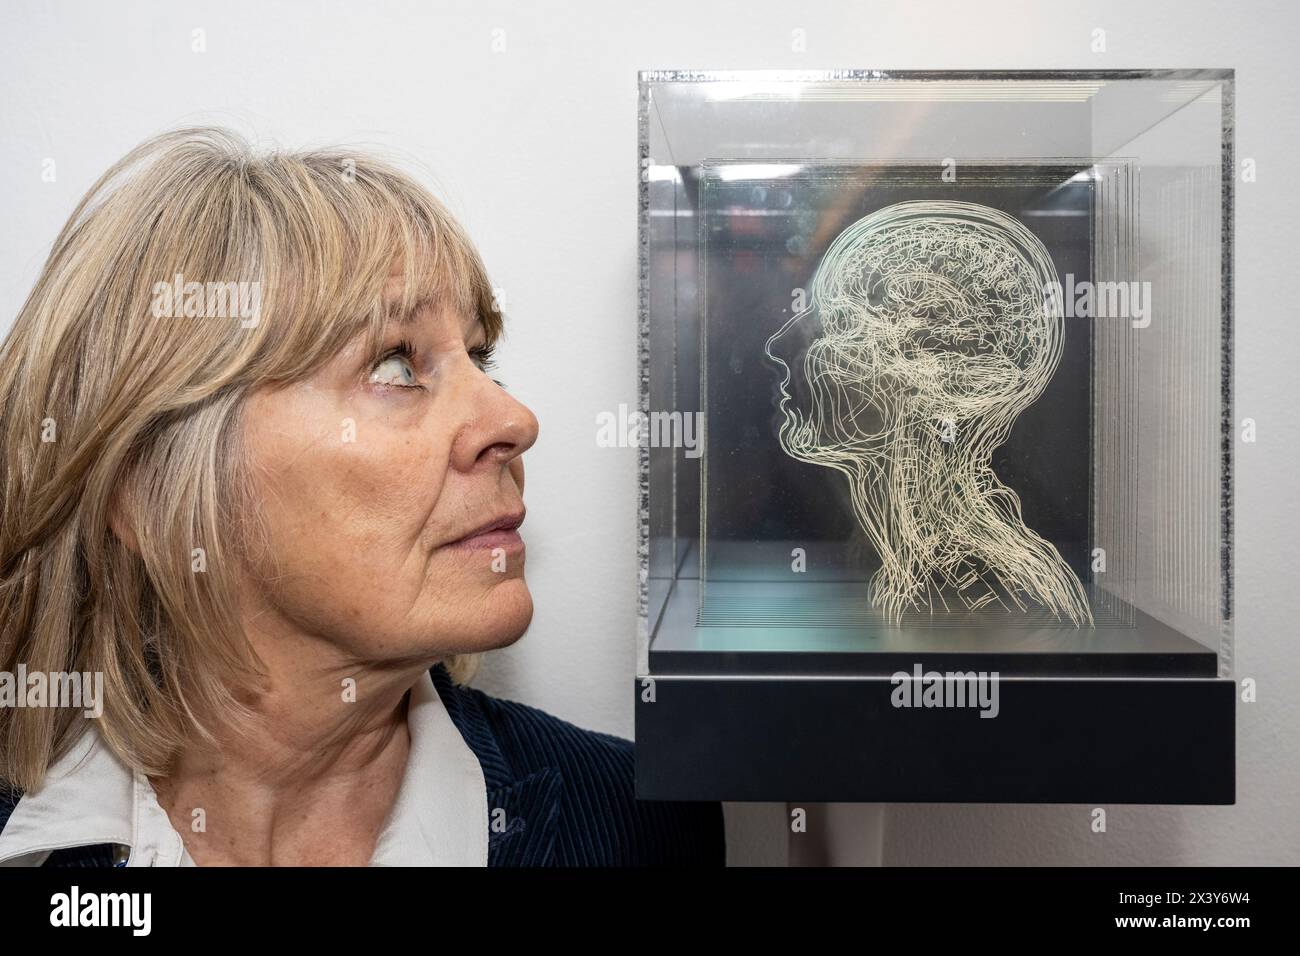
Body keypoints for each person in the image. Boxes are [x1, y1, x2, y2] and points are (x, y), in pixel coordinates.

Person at [0, 128, 723, 867]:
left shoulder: (637, 825)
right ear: (150, 488)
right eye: (395, 366)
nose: (513, 421)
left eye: (480, 358)